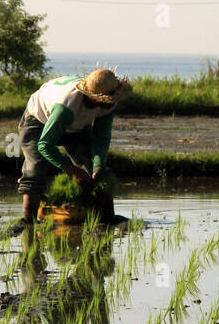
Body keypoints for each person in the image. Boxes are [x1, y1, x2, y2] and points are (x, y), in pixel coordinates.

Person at [16, 68, 132, 225]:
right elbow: (45, 145)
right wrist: (72, 170)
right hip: (38, 120)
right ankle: (27, 220)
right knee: (36, 165)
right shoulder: (66, 107)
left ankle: (106, 218)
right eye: (107, 100)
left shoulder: (109, 104)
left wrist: (98, 165)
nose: (112, 102)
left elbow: (101, 138)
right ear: (94, 99)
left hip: (76, 125)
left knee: (94, 167)